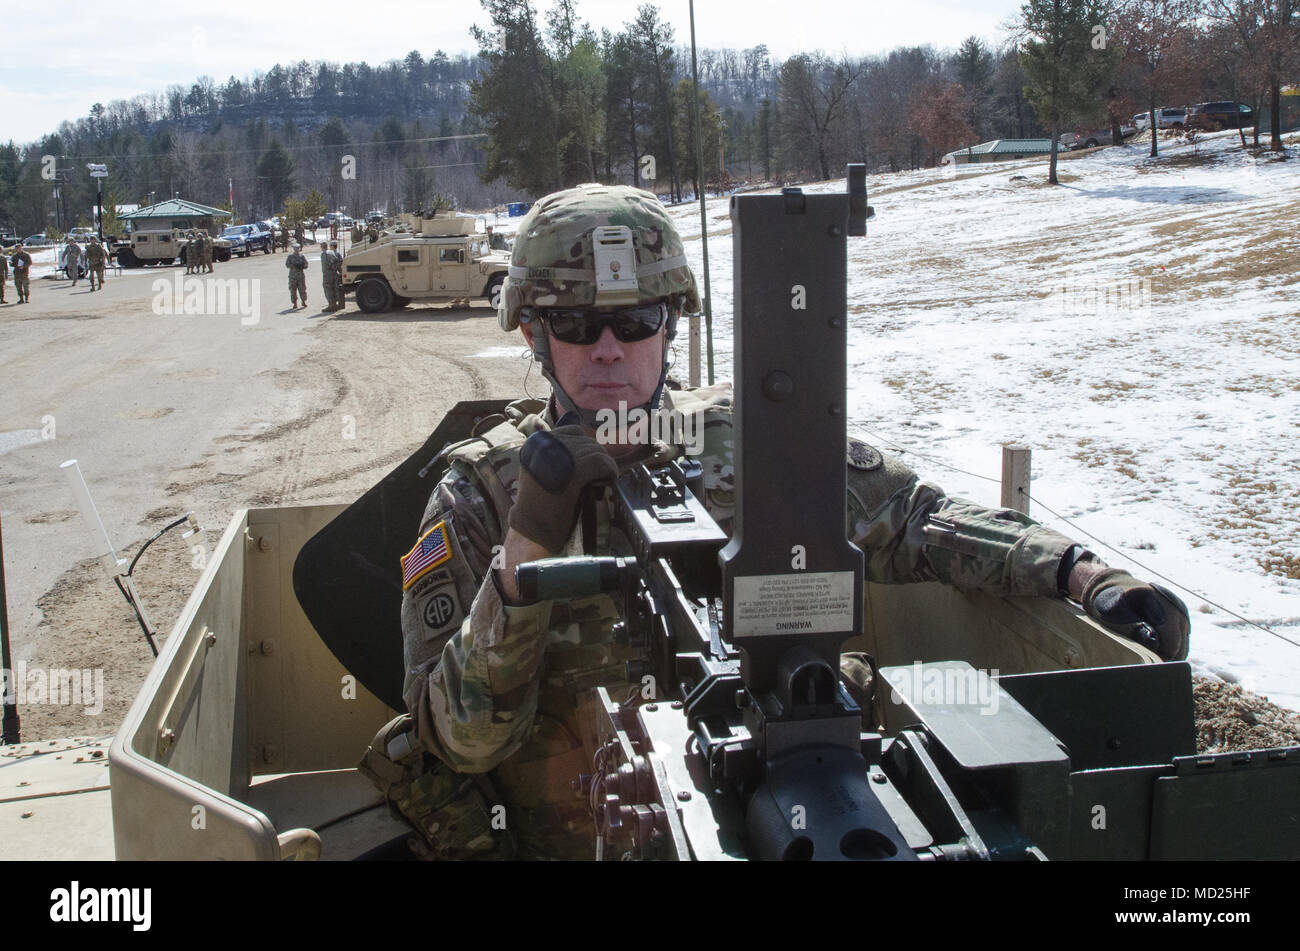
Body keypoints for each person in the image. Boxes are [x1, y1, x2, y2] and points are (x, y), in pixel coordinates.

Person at [381, 183, 1190, 861]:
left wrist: (1079, 571)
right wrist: (526, 550)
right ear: (531, 331)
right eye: (573, 323)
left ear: (672, 326)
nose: (606, 350)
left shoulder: (744, 441)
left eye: (635, 323)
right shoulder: (479, 493)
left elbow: (915, 517)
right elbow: (460, 743)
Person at [286, 242, 309, 309]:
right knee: (293, 290)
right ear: (293, 249)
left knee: (302, 289)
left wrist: (302, 266)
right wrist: (293, 266)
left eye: (298, 248)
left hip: (300, 276)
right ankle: (295, 303)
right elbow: (287, 264)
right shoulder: (290, 256)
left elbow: (306, 264)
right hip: (293, 276)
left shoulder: (302, 256)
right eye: (295, 248)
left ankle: (303, 301)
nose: (297, 250)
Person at [326, 240, 345, 311]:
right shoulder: (338, 254)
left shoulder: (330, 254)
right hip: (337, 274)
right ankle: (337, 304)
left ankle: (332, 304)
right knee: (336, 289)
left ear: (332, 246)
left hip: (331, 274)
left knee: (330, 289)